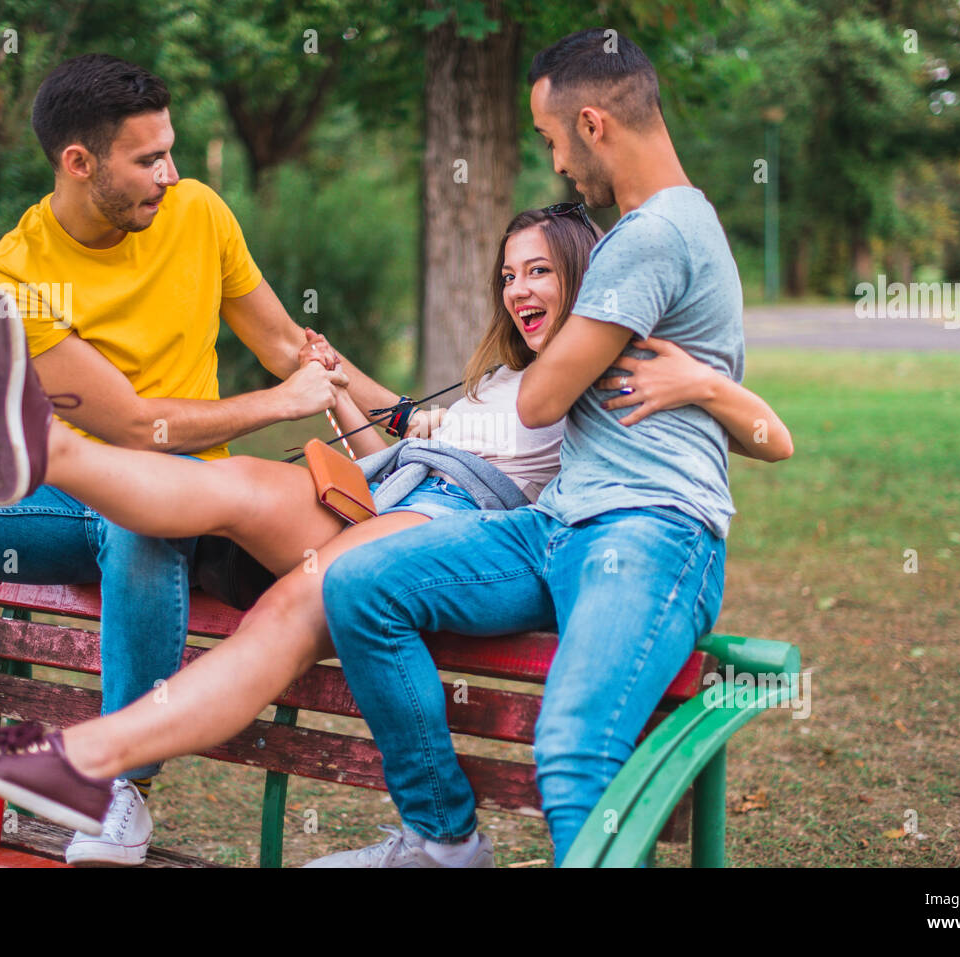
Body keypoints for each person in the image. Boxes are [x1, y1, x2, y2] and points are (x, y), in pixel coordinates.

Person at [0, 200, 791, 867]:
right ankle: (49, 449)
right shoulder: (499, 384)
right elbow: (401, 438)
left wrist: (712, 387)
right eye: (510, 273)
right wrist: (332, 383)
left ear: (582, 279)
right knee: (237, 485)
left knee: (291, 594)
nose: (520, 288)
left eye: (541, 272)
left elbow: (768, 436)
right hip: (391, 491)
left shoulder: (590, 369)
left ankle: (91, 737)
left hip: (451, 516)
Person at [0, 53, 400, 868]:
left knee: (143, 511)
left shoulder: (197, 215)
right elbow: (132, 425)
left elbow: (287, 347)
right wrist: (278, 403)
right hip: (62, 495)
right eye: (149, 158)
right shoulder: (14, 279)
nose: (172, 173)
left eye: (171, 150)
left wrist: (403, 416)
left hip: (172, 504)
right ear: (78, 163)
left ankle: (118, 788)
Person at [296, 27, 788, 867]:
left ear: (593, 123)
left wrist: (702, 388)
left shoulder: (652, 235)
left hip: (647, 529)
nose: (557, 163)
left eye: (553, 138)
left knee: (571, 751)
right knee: (362, 585)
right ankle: (443, 840)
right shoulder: (669, 229)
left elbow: (540, 396)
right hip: (557, 522)